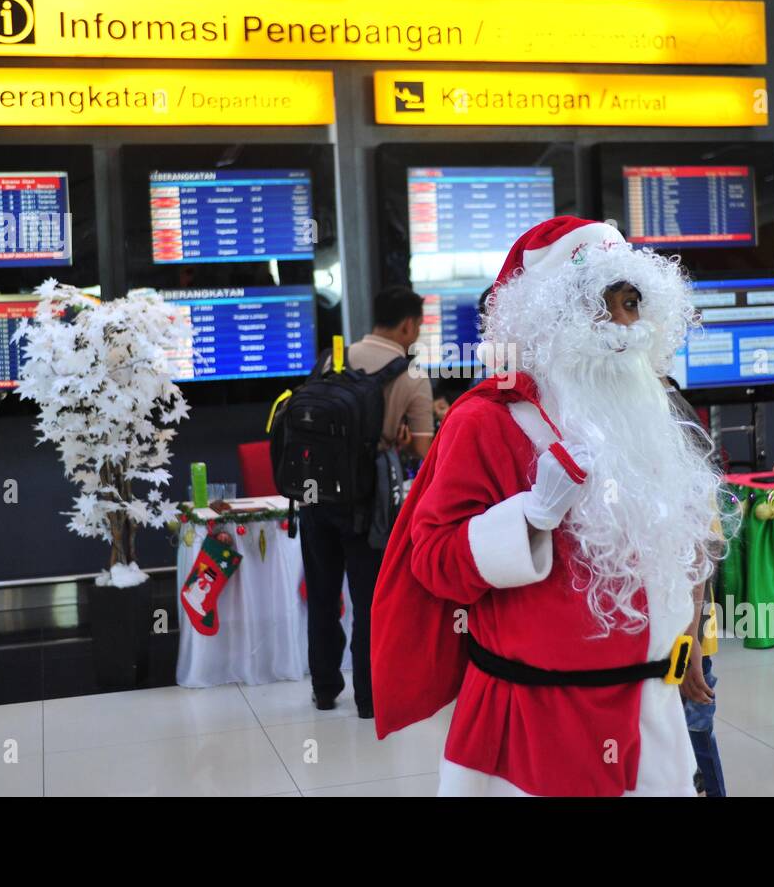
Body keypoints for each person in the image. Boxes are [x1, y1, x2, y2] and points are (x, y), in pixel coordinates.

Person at [371, 217, 731, 796]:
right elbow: (434, 560)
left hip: (652, 717)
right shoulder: (484, 421)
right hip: (536, 725)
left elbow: (682, 536)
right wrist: (531, 514)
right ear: (550, 318)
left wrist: (688, 637)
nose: (623, 325)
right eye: (600, 304)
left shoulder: (651, 408)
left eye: (632, 302)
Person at [299, 285, 434, 719]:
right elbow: (425, 453)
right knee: (368, 600)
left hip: (315, 495)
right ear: (407, 325)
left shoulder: (332, 357)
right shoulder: (411, 376)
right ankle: (369, 698)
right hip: (367, 503)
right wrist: (402, 439)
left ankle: (324, 688)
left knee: (322, 595)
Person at [661, 375, 725, 797]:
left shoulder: (684, 474)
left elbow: (699, 552)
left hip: (684, 629)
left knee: (695, 732)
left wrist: (689, 643)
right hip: (663, 629)